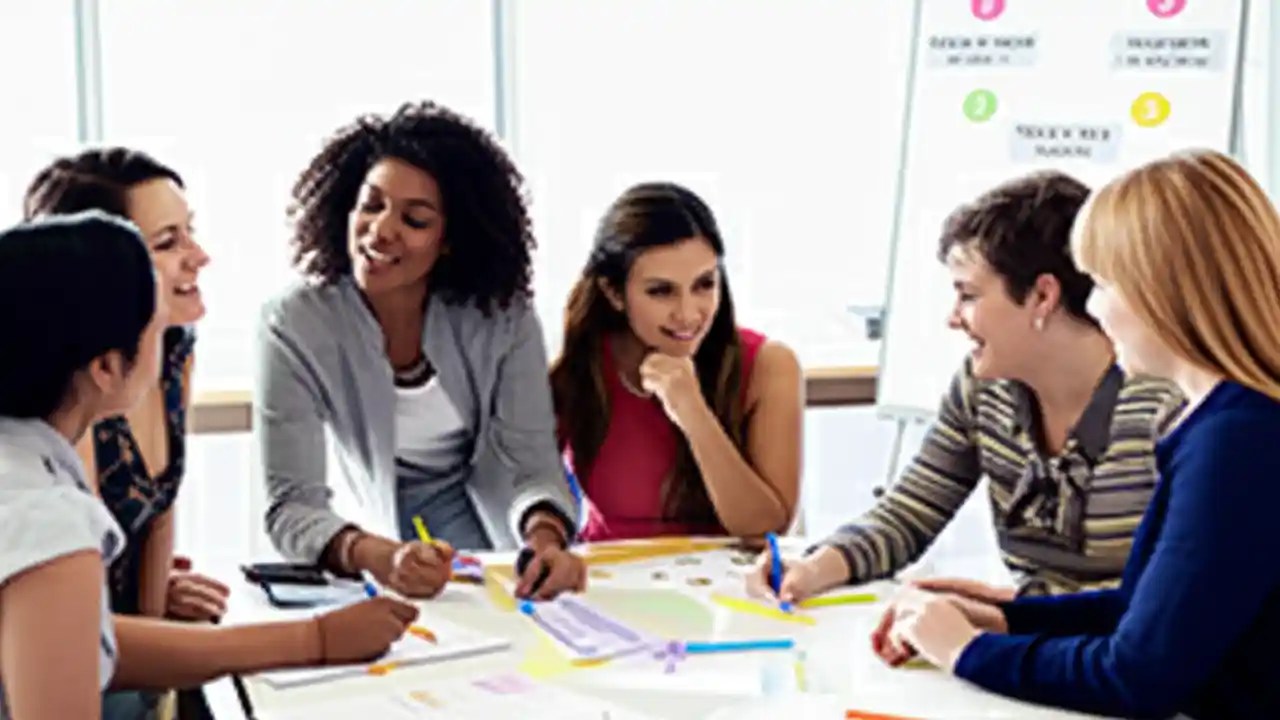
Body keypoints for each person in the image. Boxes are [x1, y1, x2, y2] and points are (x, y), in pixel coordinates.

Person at [878, 149, 1280, 719]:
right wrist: (1008, 619)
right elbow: (1144, 611)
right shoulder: (1231, 422)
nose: (1091, 307)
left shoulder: (1238, 442)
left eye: (1101, 284)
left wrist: (966, 650)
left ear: (1161, 290)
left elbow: (1136, 676)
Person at [0, 212, 418, 720]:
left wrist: (313, 638)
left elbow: (78, 643)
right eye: (157, 328)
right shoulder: (49, 522)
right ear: (107, 367)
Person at [750, 170, 1183, 605]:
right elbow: (908, 514)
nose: (953, 318)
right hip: (1027, 641)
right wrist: (812, 568)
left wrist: (1011, 611)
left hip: (1125, 655)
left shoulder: (1165, 404)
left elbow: (1180, 591)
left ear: (1042, 297)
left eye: (969, 295)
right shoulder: (983, 390)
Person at [256, 100, 583, 601]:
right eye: (371, 204)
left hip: (494, 554)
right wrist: (376, 555)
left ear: (450, 240)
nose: (381, 230)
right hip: (376, 550)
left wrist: (547, 542)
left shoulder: (503, 317)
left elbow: (532, 464)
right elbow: (291, 506)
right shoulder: (295, 324)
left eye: (415, 219)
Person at [24, 148, 229, 719]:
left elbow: (162, 503)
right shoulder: (69, 391)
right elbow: (79, 624)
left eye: (190, 232)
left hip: (123, 634)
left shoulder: (170, 347)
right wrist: (315, 640)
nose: (200, 257)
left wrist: (157, 603)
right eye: (167, 244)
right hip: (64, 651)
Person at [550, 182, 803, 541]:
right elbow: (528, 493)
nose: (688, 314)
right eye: (661, 291)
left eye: (704, 285)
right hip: (609, 582)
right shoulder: (581, 367)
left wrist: (692, 411)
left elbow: (766, 528)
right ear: (614, 293)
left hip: (725, 585)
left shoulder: (770, 366)